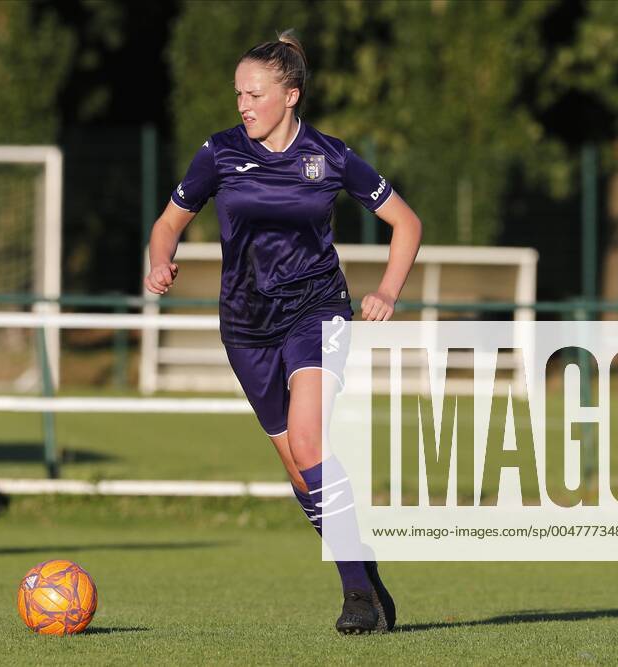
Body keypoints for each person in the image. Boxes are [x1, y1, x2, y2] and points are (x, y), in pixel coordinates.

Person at [145, 31, 422, 634]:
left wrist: (386, 292)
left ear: (290, 95)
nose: (243, 104)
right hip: (245, 327)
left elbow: (406, 222)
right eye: (238, 93)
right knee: (300, 472)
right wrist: (159, 258)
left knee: (307, 444)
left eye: (255, 93)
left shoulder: (332, 156)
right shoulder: (217, 153)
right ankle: (366, 575)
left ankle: (353, 595)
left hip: (316, 311)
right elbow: (168, 222)